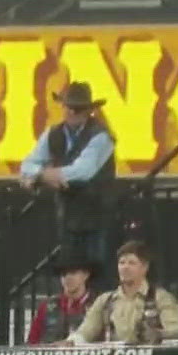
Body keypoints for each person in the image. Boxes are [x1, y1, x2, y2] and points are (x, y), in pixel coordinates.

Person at [21, 82, 117, 278]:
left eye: (78, 108)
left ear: (89, 111)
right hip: (68, 216)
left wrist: (43, 174)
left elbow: (83, 171)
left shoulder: (101, 137)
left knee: (97, 271)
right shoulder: (53, 133)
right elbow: (27, 164)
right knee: (70, 271)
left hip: (98, 215)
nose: (72, 112)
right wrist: (43, 174)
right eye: (69, 107)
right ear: (62, 107)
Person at [63, 241, 178, 355]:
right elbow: (86, 331)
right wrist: (70, 342)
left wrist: (159, 334)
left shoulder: (161, 297)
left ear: (144, 267)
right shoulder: (105, 300)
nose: (125, 267)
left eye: (132, 263)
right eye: (121, 263)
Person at [25, 250, 100, 355]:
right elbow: (32, 344)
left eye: (73, 273)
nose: (67, 278)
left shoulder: (99, 304)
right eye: (63, 274)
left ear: (85, 275)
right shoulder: (46, 307)